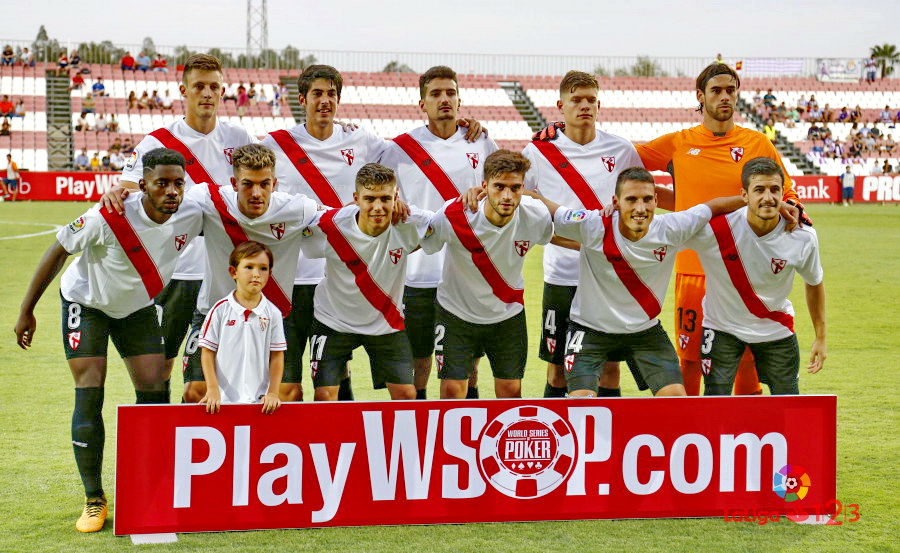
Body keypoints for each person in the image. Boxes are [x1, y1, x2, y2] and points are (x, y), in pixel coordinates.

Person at [14, 148, 203, 532]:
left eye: (177, 183)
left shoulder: (192, 213)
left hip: (136, 307)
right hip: (87, 302)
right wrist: (27, 309)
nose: (171, 191)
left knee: (154, 387)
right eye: (161, 183)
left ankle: (149, 486)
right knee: (90, 386)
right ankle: (94, 498)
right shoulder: (109, 214)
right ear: (142, 185)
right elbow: (58, 249)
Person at [529, 167, 745, 397]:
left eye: (646, 199)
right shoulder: (593, 223)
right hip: (590, 331)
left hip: (645, 332)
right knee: (582, 401)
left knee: (676, 399)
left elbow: (715, 206)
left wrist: (776, 204)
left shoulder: (672, 226)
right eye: (631, 199)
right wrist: (516, 192)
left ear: (656, 200)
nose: (640, 208)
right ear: (616, 201)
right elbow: (547, 208)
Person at [119, 53, 257, 402]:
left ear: (223, 90)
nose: (207, 93)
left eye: (214, 86)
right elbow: (129, 190)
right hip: (173, 273)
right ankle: (161, 445)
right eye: (199, 86)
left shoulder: (239, 137)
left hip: (222, 274)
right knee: (158, 369)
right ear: (184, 90)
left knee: (208, 378)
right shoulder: (157, 140)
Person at [261, 65, 392, 402]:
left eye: (331, 94)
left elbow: (409, 153)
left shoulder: (360, 139)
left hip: (338, 281)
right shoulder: (275, 145)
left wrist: (462, 126)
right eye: (317, 94)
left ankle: (336, 447)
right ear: (302, 99)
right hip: (288, 281)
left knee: (334, 378)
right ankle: (291, 451)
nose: (325, 101)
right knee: (287, 386)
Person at [524, 70, 644, 399]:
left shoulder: (621, 149)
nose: (584, 105)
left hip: (608, 274)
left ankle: (612, 445)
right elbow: (525, 210)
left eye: (591, 99)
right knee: (558, 368)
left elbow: (639, 202)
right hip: (562, 275)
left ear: (599, 104)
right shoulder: (537, 151)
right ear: (560, 106)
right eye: (576, 100)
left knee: (609, 367)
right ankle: (559, 441)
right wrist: (570, 241)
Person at [380, 65, 496, 400]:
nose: (444, 99)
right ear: (422, 103)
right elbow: (382, 194)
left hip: (466, 272)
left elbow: (502, 187)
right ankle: (418, 436)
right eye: (435, 93)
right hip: (417, 274)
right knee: (419, 361)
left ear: (460, 100)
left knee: (467, 368)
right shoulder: (400, 148)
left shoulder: (482, 141)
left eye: (450, 93)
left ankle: (467, 432)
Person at [686, 157, 826, 395]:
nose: (768, 197)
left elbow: (814, 283)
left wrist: (820, 337)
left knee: (787, 401)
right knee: (715, 403)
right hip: (722, 328)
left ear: (784, 193)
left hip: (776, 328)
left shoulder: (802, 236)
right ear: (744, 194)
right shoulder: (714, 230)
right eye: (759, 190)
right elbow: (664, 232)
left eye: (774, 190)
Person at [424, 150, 552, 399]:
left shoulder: (536, 216)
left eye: (515, 188)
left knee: (510, 391)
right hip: (456, 312)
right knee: (452, 390)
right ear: (484, 186)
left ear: (523, 188)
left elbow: (563, 234)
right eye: (499, 186)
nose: (507, 195)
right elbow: (420, 240)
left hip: (507, 315)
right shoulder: (454, 214)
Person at [300, 163, 430, 401]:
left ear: (396, 198)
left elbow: (446, 223)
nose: (378, 207)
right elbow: (293, 225)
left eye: (385, 198)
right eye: (369, 199)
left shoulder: (409, 225)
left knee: (406, 395)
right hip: (332, 321)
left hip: (385, 323)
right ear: (356, 199)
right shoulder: (329, 225)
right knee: (324, 397)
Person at [198, 241, 285, 414]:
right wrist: (213, 389)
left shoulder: (273, 313)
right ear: (233, 272)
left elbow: (277, 355)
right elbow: (207, 352)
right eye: (249, 267)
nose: (256, 274)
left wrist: (273, 392)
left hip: (260, 404)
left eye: (263, 268)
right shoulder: (219, 310)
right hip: (222, 403)